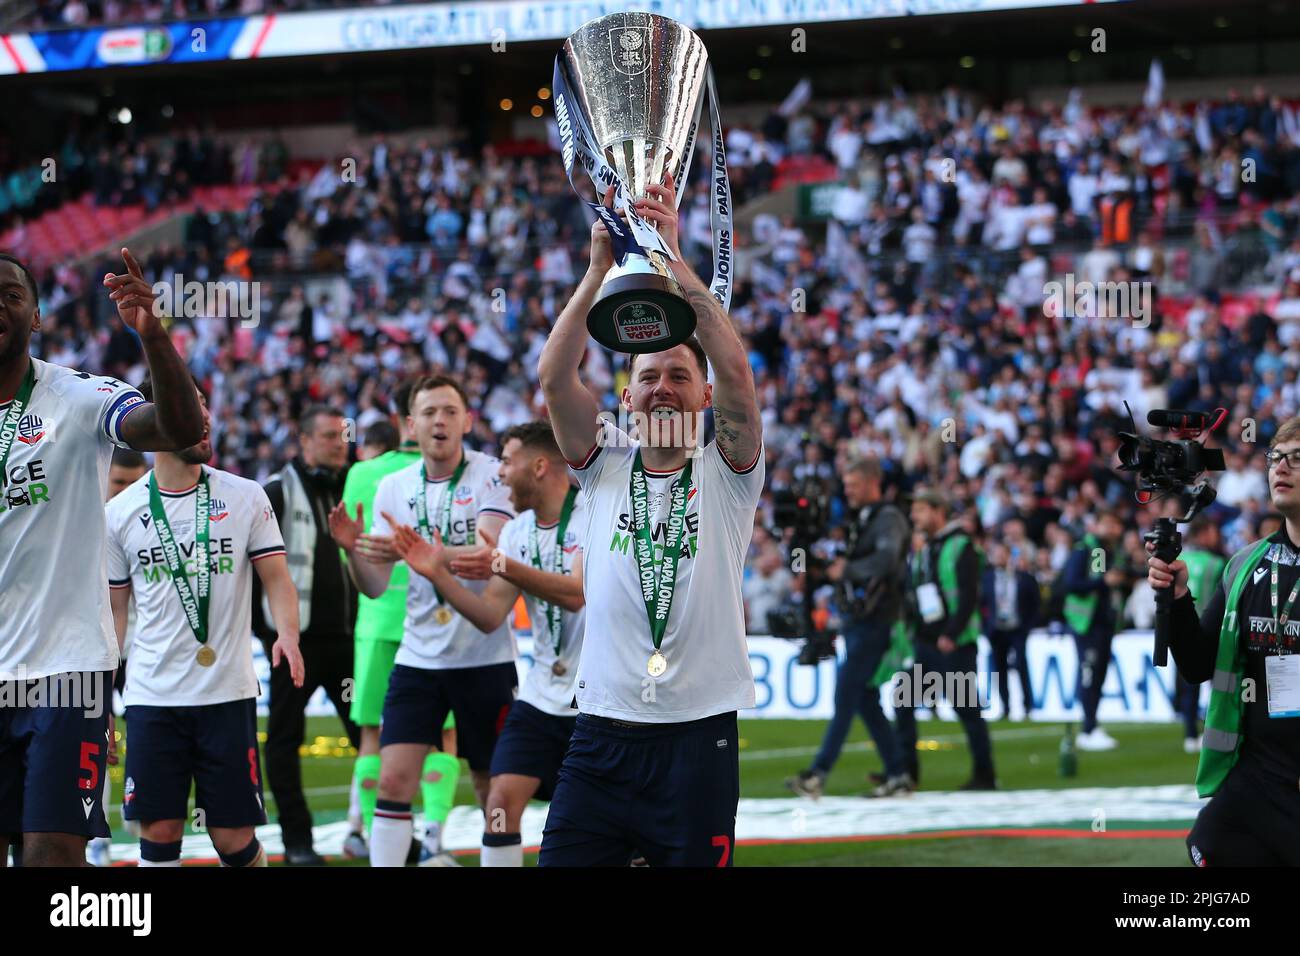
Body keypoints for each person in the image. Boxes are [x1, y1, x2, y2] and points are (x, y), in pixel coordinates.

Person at [536, 175, 764, 866]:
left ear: (700, 396)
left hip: (697, 739)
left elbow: (737, 371)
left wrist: (670, 258)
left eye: (677, 375)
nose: (662, 385)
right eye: (647, 376)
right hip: (601, 734)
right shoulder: (601, 467)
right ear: (626, 396)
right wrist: (599, 267)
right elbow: (553, 378)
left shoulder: (727, 472)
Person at [0, 249, 204, 868]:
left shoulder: (80, 397)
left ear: (36, 316)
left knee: (52, 855)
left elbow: (179, 428)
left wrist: (153, 336)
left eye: (11, 294)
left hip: (66, 671)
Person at [106, 376, 304, 867]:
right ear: (157, 422)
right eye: (190, 405)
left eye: (204, 405)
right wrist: (98, 702)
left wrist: (289, 636)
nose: (206, 417)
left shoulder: (246, 496)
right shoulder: (119, 514)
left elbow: (278, 580)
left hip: (227, 694)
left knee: (232, 836)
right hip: (153, 697)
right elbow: (113, 616)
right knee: (159, 828)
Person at [330, 374, 516, 868]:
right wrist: (353, 551)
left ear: (468, 421)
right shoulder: (392, 487)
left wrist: (422, 554)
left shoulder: (493, 475)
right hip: (418, 659)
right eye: (429, 412)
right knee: (393, 780)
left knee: (492, 791)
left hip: (484, 658)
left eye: (450, 412)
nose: (440, 421)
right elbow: (373, 585)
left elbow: (490, 553)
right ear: (410, 424)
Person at [391, 420, 585, 867]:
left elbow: (576, 594)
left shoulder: (593, 515)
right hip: (540, 697)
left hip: (597, 700)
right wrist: (438, 572)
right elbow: (489, 615)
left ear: (539, 466)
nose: (499, 473)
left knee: (607, 821)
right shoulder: (516, 533)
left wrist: (504, 566)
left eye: (507, 460)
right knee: (499, 805)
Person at [1148, 426, 1300, 865]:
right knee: (1209, 846)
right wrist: (1178, 600)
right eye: (1275, 457)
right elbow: (1197, 665)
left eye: (1297, 457)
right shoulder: (1245, 563)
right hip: (1257, 776)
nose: (1281, 467)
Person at [337, 386, 459, 864]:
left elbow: (351, 543)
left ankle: (370, 834)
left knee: (372, 732)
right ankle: (432, 839)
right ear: (413, 421)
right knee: (441, 737)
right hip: (431, 620)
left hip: (375, 617)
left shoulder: (363, 472)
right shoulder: (445, 475)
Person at [252, 404, 360, 866]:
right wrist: (268, 633)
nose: (340, 443)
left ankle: (381, 829)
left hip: (347, 640)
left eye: (343, 436)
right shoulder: (275, 492)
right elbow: (252, 571)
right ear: (304, 441)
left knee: (371, 738)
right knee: (283, 741)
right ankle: (297, 841)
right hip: (293, 643)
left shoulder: (353, 486)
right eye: (330, 436)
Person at [787, 456, 912, 799]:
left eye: (854, 485)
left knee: (846, 695)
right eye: (847, 485)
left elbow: (886, 561)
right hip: (861, 621)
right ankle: (898, 772)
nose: (849, 491)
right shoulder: (866, 519)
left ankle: (818, 773)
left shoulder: (888, 518)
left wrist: (847, 570)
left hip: (877, 620)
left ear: (874, 483)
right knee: (865, 700)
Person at [895, 489, 997, 790]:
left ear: (939, 511)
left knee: (967, 711)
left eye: (921, 510)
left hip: (954, 645)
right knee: (903, 702)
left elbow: (969, 596)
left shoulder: (961, 546)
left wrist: (951, 634)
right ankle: (906, 774)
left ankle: (985, 775)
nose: (915, 517)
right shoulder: (925, 549)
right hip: (927, 644)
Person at [88, 447, 150, 867]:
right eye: (119, 483)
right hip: (93, 650)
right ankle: (95, 836)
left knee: (148, 738)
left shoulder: (153, 520)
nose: (127, 492)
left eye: (134, 483)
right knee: (93, 742)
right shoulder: (84, 522)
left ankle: (145, 819)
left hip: (145, 650)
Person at [1062, 510, 1130, 751]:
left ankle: (1092, 725)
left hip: (1104, 624)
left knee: (1098, 675)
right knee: (1090, 673)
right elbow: (1071, 583)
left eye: (1116, 524)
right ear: (1097, 525)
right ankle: (1088, 728)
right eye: (1108, 523)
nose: (1113, 529)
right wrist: (1104, 582)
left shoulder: (1110, 551)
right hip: (1086, 624)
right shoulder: (1086, 549)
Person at [1177, 517, 1226, 753]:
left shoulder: (1180, 559)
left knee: (1189, 684)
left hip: (1183, 628)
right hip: (1213, 628)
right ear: (1205, 533)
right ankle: (1214, 731)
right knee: (1220, 685)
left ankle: (1189, 734)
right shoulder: (1217, 563)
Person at [980, 540, 1041, 719]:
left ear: (1009, 555)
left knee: (1021, 664)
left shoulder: (1024, 577)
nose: (998, 557)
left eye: (1001, 554)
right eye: (995, 554)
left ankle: (1027, 705)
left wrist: (1028, 626)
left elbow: (1035, 603)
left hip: (1017, 629)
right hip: (996, 630)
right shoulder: (987, 578)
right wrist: (986, 627)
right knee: (999, 669)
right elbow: (981, 604)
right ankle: (1005, 707)